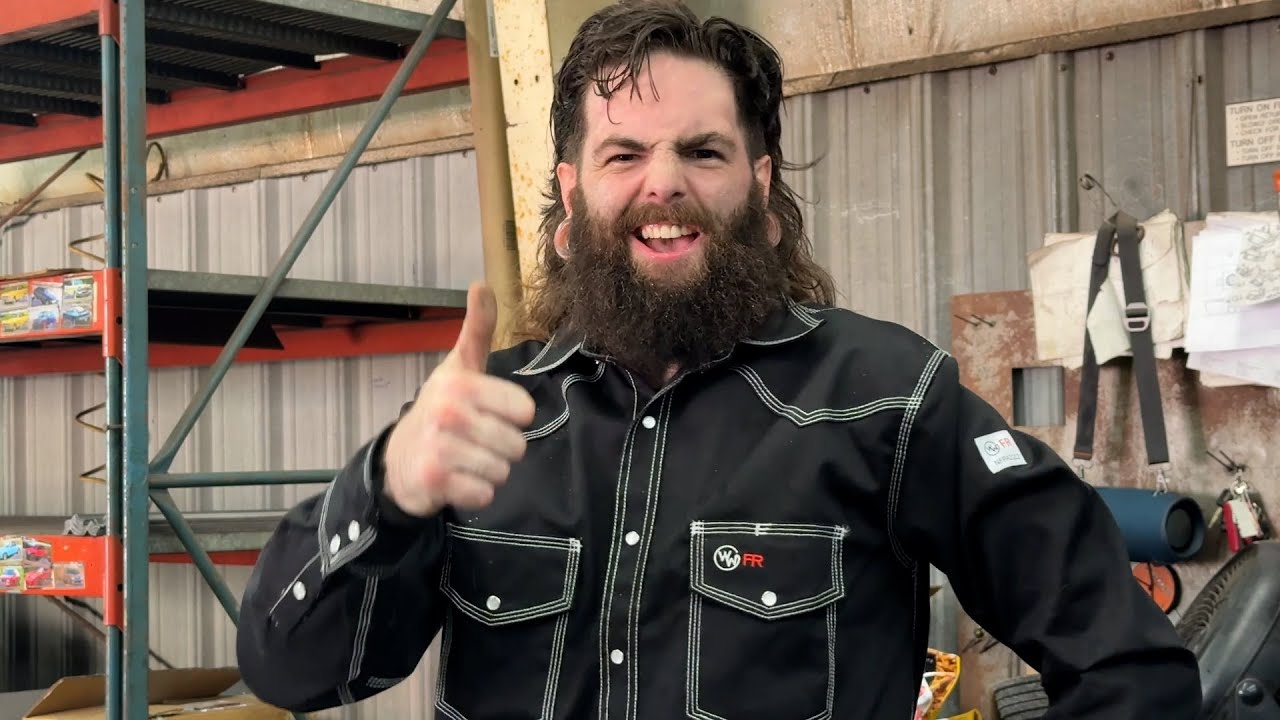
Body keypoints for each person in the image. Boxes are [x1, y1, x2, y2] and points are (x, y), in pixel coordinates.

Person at [235, 1, 1202, 717]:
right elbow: (290, 671)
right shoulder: (482, 415)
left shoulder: (888, 401)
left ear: (760, 188)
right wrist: (390, 487)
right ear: (570, 198)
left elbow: (1130, 670)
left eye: (703, 151)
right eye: (624, 156)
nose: (664, 183)